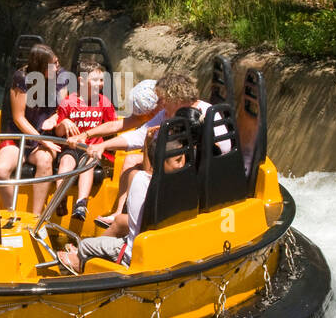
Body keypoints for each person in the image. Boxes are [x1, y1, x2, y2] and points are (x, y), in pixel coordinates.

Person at [89, 73, 231, 227]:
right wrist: (103, 145)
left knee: (139, 175)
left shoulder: (205, 112)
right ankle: (122, 215)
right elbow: (139, 135)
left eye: (162, 100)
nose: (159, 104)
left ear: (175, 98)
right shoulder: (167, 114)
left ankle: (136, 219)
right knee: (131, 161)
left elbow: (224, 149)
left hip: (195, 171)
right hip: (175, 164)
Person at [60, 126, 185, 272]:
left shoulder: (141, 180)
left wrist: (148, 143)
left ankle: (80, 263)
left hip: (130, 251)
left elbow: (146, 173)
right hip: (148, 238)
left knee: (85, 245)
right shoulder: (180, 181)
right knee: (119, 221)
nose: (182, 163)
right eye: (179, 159)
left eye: (181, 159)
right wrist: (147, 143)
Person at [0, 43, 63, 212]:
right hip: (19, 138)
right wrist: (41, 140)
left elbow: (63, 109)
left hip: (44, 138)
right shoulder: (22, 78)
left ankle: (36, 218)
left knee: (45, 161)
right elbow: (19, 118)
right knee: (1, 170)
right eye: (53, 65)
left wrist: (54, 118)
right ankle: (13, 214)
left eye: (57, 63)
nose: (57, 68)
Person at [54, 60, 118, 222]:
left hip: (93, 147)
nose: (100, 83)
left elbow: (113, 127)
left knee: (88, 163)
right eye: (95, 80)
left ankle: (81, 203)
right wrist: (64, 123)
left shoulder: (104, 103)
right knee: (66, 162)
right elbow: (58, 132)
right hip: (71, 147)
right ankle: (60, 197)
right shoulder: (68, 102)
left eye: (102, 80)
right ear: (81, 80)